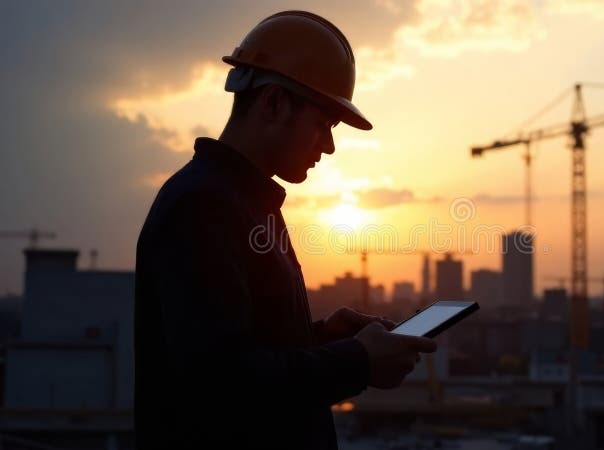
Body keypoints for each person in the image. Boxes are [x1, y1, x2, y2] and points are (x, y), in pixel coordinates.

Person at [134, 10, 437, 450]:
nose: (329, 146)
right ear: (274, 102)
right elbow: (221, 383)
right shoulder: (203, 206)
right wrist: (357, 362)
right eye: (323, 124)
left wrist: (327, 338)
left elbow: (241, 351)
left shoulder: (244, 204)